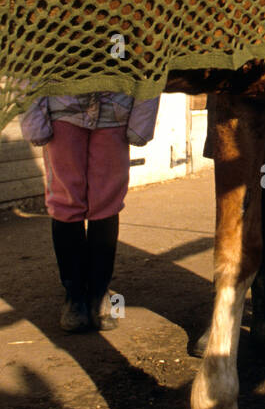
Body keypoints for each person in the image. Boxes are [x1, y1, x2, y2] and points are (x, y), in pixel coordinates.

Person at [20, 91, 160, 332]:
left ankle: (99, 293)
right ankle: (74, 296)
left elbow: (149, 62)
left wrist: (141, 120)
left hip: (114, 111)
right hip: (63, 110)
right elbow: (32, 62)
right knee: (65, 204)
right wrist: (35, 120)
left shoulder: (122, 51)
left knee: (106, 204)